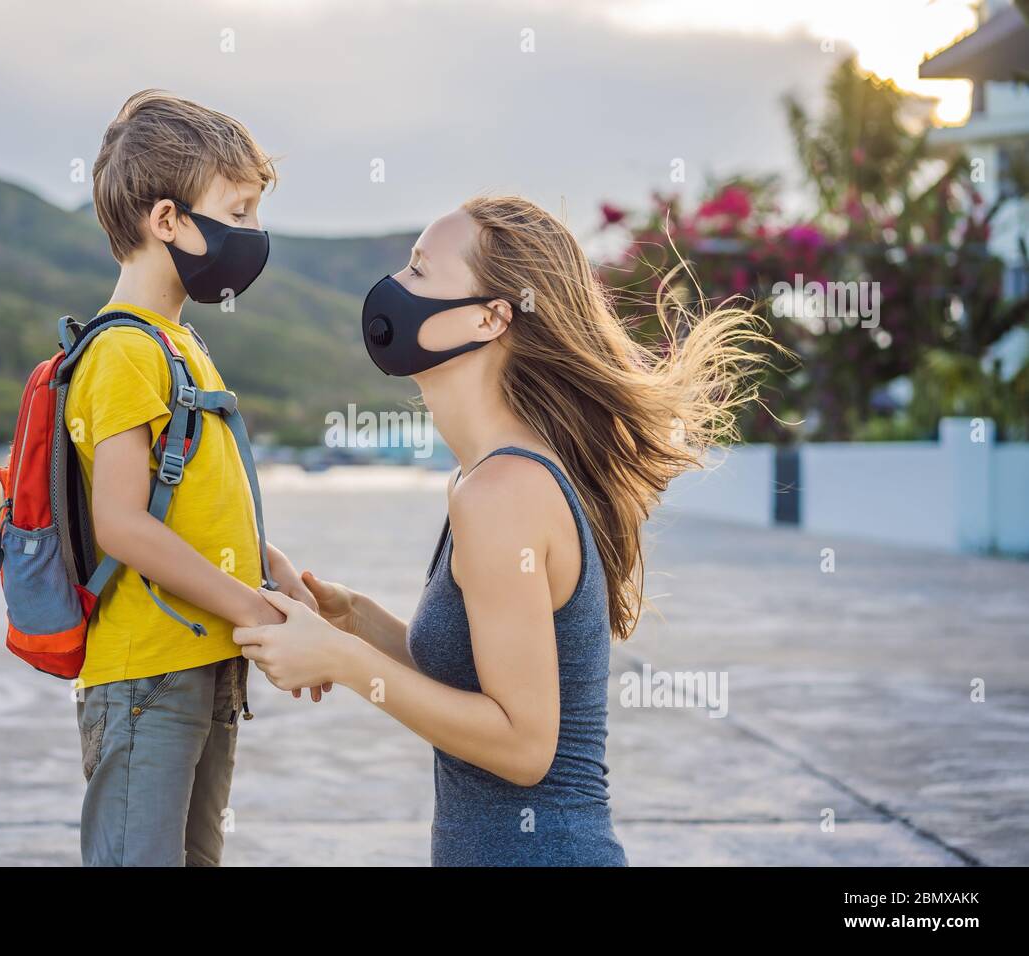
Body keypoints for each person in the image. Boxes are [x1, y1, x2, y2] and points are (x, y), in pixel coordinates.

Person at [234, 195, 768, 866]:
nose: (393, 291)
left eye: (420, 273)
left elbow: (523, 746)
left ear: (491, 317)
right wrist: (357, 623)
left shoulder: (503, 492)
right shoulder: (483, 479)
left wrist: (346, 665)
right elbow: (480, 689)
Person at [69, 90, 319, 867]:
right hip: (146, 674)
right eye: (237, 212)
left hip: (207, 666)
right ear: (168, 219)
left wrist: (279, 579)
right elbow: (123, 523)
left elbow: (201, 504)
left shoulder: (181, 344)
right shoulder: (122, 351)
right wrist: (252, 609)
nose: (252, 235)